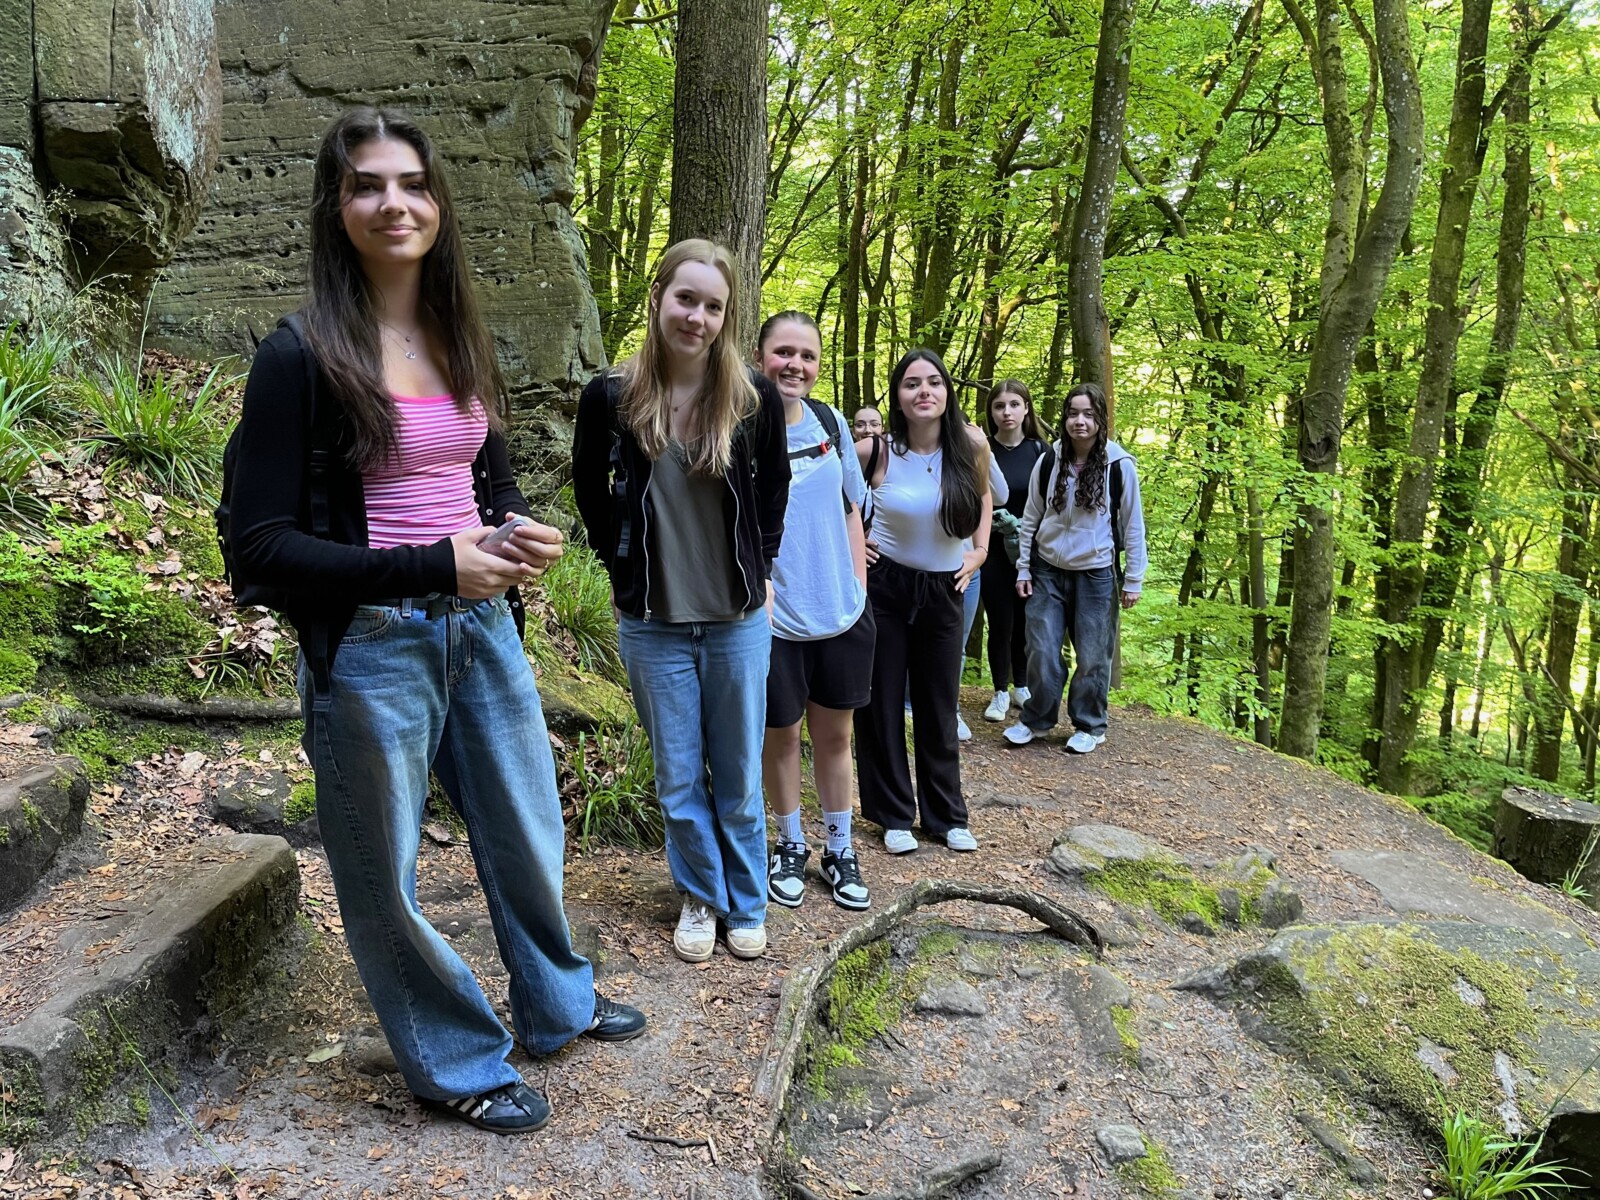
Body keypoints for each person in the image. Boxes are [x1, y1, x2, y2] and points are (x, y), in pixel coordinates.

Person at [228, 107, 643, 1137]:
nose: (393, 202)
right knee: (387, 873)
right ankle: (458, 1060)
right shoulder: (298, 355)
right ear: (337, 206)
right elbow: (257, 551)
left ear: (437, 200)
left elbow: (478, 480)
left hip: (482, 631)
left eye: (411, 182)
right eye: (367, 184)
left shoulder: (460, 335)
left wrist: (508, 534)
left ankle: (558, 1001)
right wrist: (433, 563)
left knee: (527, 835)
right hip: (370, 650)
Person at [572, 239, 789, 964]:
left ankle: (748, 900)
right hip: (653, 622)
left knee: (735, 774)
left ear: (728, 318)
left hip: (736, 622)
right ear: (659, 296)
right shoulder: (611, 396)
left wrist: (759, 568)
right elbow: (591, 497)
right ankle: (702, 894)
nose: (696, 316)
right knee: (676, 777)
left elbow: (773, 495)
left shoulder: (753, 399)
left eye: (713, 306)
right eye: (685, 298)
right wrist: (620, 567)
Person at [755, 312, 875, 911]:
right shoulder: (742, 429)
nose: (794, 365)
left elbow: (854, 506)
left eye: (806, 355)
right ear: (759, 357)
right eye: (783, 352)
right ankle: (788, 844)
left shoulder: (829, 422)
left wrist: (855, 586)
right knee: (782, 735)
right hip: (774, 617)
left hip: (840, 611)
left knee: (836, 736)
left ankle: (839, 849)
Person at [854, 349, 990, 854]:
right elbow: (838, 501)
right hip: (886, 587)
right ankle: (892, 815)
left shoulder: (971, 447)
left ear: (948, 391)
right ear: (899, 395)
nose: (924, 392)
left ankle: (946, 815)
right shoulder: (876, 450)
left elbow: (982, 501)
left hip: (946, 588)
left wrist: (979, 552)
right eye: (912, 384)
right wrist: (856, 542)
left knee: (939, 704)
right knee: (882, 701)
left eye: (934, 382)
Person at [1004, 381, 1147, 753]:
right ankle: (1037, 719)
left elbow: (1132, 525)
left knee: (1093, 654)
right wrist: (1023, 568)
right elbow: (1031, 516)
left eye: (1088, 414)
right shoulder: (1050, 459)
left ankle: (1089, 724)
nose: (1079, 421)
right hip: (1047, 569)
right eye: (1072, 413)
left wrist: (1133, 579)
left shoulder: (1119, 465)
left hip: (1096, 574)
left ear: (1100, 418)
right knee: (1042, 649)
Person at [980, 380, 1046, 723]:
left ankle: (1022, 685)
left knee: (1024, 620)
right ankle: (999, 691)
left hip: (1029, 550)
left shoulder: (1040, 452)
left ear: (1026, 409)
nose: (1007, 412)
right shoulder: (981, 448)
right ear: (991, 412)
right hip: (989, 549)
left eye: (1014, 405)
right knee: (1000, 619)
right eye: (999, 406)